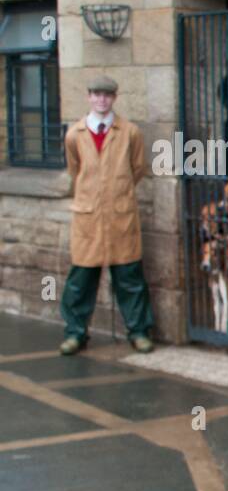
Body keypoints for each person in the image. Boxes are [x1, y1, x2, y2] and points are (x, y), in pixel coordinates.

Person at [59, 75, 154, 354]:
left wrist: (116, 192)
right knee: (80, 281)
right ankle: (76, 332)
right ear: (89, 96)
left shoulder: (129, 132)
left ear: (114, 98)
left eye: (107, 95)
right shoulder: (74, 134)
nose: (102, 99)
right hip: (88, 218)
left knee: (130, 278)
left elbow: (137, 168)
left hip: (120, 217)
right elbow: (75, 171)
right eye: (97, 94)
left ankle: (138, 331)